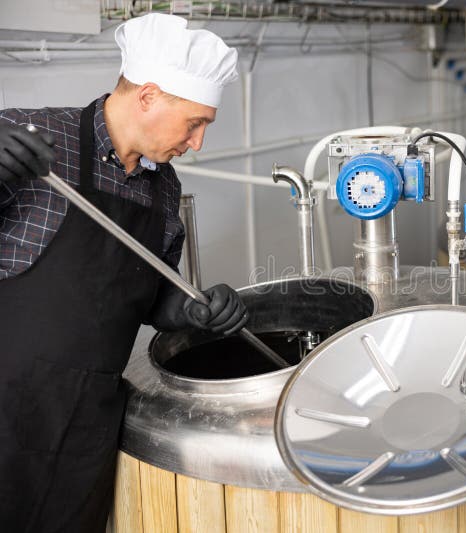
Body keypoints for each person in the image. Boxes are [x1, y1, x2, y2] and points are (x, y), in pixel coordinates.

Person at [0, 14, 249, 532]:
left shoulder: (163, 189)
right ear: (149, 96)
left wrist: (186, 309)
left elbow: (146, 294)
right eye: (195, 123)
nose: (198, 142)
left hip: (83, 429)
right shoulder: (33, 140)